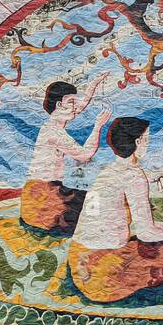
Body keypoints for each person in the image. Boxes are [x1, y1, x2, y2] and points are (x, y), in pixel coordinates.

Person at [66, 117, 163, 303]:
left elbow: (130, 178)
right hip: (103, 276)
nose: (147, 144)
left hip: (79, 261)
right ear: (138, 141)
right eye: (147, 139)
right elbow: (147, 233)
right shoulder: (134, 176)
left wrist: (155, 177)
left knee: (146, 248)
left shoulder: (108, 172)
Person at [19, 75, 110, 235]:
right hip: (44, 199)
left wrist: (94, 84)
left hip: (46, 193)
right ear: (59, 105)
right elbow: (85, 155)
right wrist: (98, 126)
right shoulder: (54, 133)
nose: (76, 107)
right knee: (95, 204)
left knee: (93, 201)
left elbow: (81, 105)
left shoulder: (52, 125)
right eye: (71, 103)